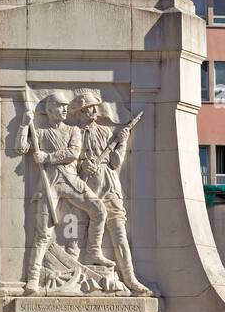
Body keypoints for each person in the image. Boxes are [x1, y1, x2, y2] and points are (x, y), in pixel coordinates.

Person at [16, 92, 109, 295]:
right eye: (60, 106)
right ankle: (33, 278)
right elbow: (21, 147)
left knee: (99, 210)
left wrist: (47, 157)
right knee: (43, 234)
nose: (65, 110)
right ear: (49, 109)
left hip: (72, 181)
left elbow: (73, 153)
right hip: (49, 186)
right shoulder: (39, 132)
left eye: (66, 106)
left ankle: (93, 251)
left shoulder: (73, 130)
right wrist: (25, 124)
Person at [71, 91, 151, 295]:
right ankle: (79, 267)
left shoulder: (106, 132)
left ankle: (130, 277)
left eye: (95, 107)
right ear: (81, 111)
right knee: (76, 228)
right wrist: (82, 166)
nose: (95, 110)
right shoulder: (72, 132)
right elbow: (66, 162)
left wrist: (122, 141)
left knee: (118, 230)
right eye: (90, 107)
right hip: (84, 184)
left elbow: (115, 163)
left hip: (108, 182)